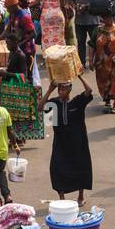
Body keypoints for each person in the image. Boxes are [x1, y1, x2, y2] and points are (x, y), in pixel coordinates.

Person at [41, 75, 94, 203]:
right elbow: (40, 108)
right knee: (57, 169)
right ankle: (62, 198)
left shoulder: (77, 102)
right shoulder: (53, 103)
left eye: (63, 89)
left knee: (81, 167)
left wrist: (79, 75)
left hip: (78, 141)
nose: (60, 92)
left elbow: (89, 91)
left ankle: (81, 196)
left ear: (69, 90)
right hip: (60, 142)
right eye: (59, 89)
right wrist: (49, 90)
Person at [69, 0, 100, 68]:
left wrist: (87, 6)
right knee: (80, 42)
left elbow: (100, 0)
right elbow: (70, 0)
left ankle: (96, 61)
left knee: (95, 41)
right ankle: (81, 63)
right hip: (79, 21)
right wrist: (75, 7)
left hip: (93, 20)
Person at [91, 13, 115, 110]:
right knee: (103, 82)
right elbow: (92, 46)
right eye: (106, 17)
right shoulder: (97, 30)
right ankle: (107, 100)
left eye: (110, 17)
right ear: (102, 18)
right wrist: (90, 60)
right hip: (101, 64)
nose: (109, 19)